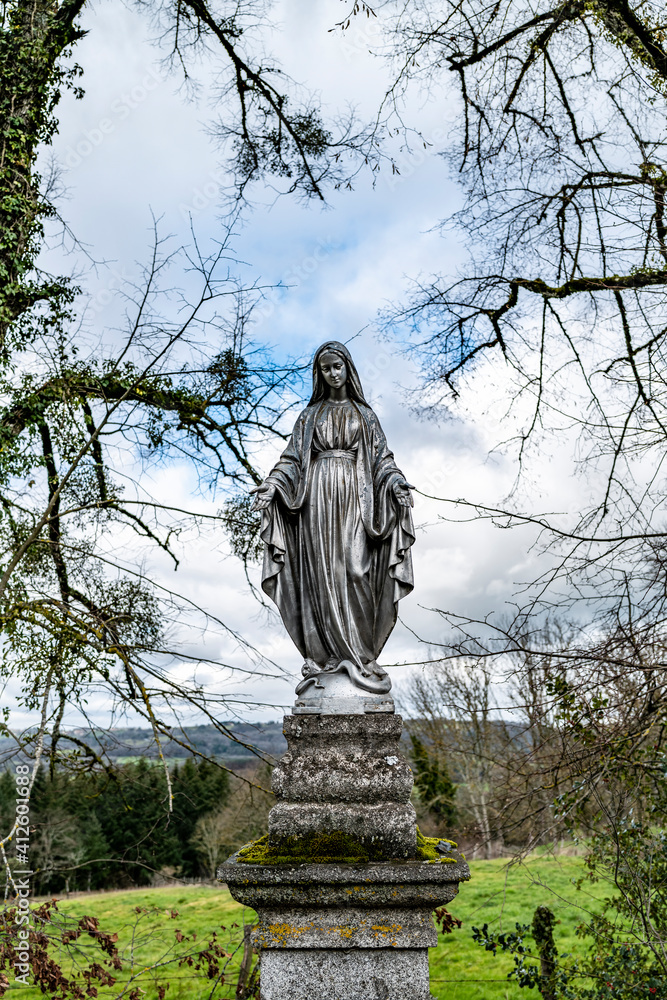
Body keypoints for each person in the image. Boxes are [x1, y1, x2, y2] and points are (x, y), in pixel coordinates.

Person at [251, 341, 415, 696]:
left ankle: (360, 656)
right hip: (316, 503)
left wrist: (397, 484)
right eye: (325, 368)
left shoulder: (364, 416)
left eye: (337, 366)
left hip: (356, 500)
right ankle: (325, 657)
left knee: (356, 569)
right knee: (320, 576)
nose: (332, 373)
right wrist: (272, 486)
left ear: (348, 368)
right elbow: (292, 460)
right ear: (319, 373)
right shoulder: (309, 417)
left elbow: (382, 461)